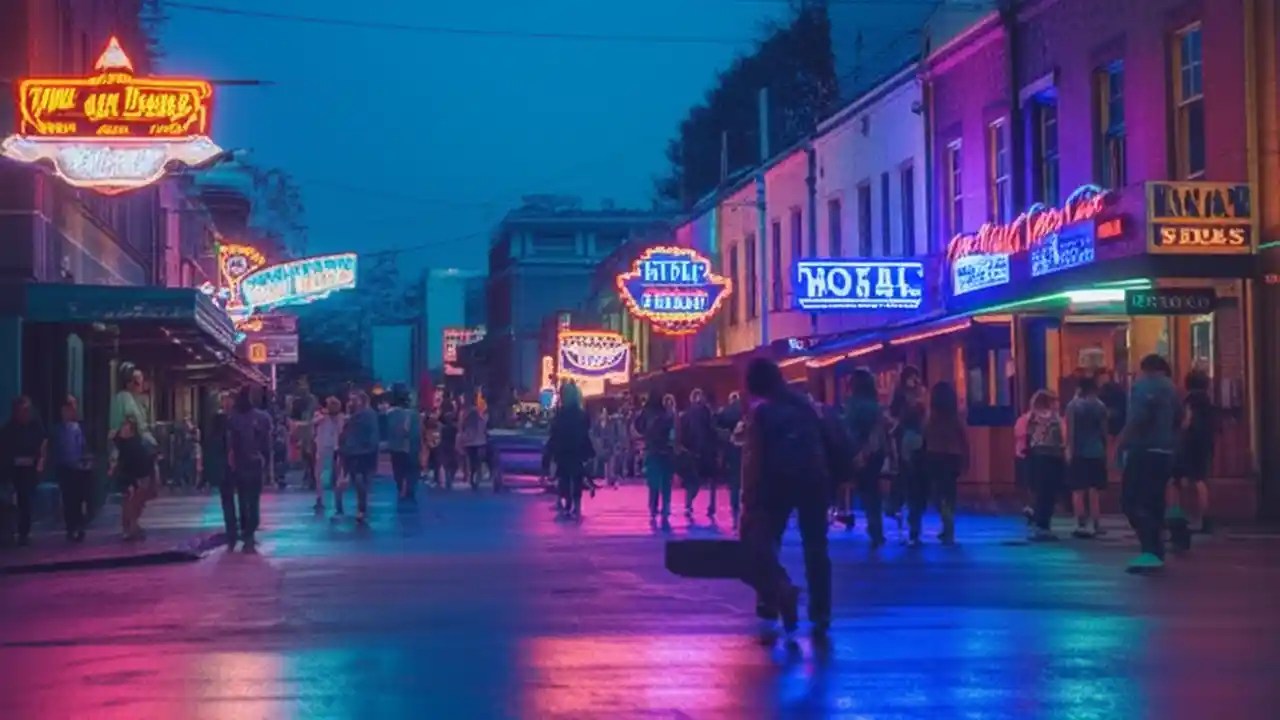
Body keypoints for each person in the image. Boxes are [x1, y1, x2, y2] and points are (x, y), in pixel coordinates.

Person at [739, 357, 832, 635]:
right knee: (816, 546)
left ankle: (775, 594)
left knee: (765, 541)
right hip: (814, 479)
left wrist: (749, 499)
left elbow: (755, 460)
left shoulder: (762, 413)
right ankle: (821, 609)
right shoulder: (806, 406)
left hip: (775, 482)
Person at [1120, 354, 1180, 573]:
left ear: (1146, 369)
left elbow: (1138, 418)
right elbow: (1179, 419)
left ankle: (1149, 549)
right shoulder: (1173, 389)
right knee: (1154, 502)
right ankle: (1155, 551)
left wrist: (1122, 441)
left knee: (1131, 501)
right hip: (1165, 451)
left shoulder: (1143, 387)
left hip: (1143, 451)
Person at [224, 386, 272, 551]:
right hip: (255, 462)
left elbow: (230, 443)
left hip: (240, 463)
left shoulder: (233, 418)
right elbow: (267, 444)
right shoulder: (263, 418)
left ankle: (246, 532)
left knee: (243, 499)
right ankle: (249, 532)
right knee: (253, 499)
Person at [920, 381, 968, 546]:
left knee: (936, 492)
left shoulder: (931, 418)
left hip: (934, 456)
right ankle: (949, 521)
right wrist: (966, 459)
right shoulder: (956, 418)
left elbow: (924, 437)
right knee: (950, 491)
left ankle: (945, 518)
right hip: (953, 456)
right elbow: (963, 439)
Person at [845, 369, 888, 547]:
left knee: (866, 490)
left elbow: (848, 430)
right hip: (877, 451)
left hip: (859, 451)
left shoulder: (852, 405)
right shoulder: (875, 405)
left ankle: (874, 527)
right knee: (874, 490)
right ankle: (876, 526)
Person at [1065, 376, 1109, 538]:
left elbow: (1071, 431)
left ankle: (1080, 523)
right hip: (1096, 450)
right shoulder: (1100, 406)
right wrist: (1105, 450)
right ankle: (1096, 523)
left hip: (1079, 451)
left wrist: (1069, 450)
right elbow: (1104, 431)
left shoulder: (1073, 406)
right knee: (1094, 489)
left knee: (1077, 489)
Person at [1172, 370, 1215, 534]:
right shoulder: (1207, 401)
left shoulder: (1190, 400)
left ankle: (1186, 517)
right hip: (1205, 443)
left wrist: (1180, 431)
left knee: (1184, 480)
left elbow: (1187, 422)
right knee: (1200, 479)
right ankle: (1202, 518)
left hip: (1190, 444)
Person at [2, 396, 47, 546]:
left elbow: (43, 443)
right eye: (23, 411)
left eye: (28, 410)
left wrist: (40, 460)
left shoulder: (36, 426)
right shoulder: (8, 431)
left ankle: (24, 532)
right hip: (12, 472)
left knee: (26, 500)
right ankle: (11, 532)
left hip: (30, 471)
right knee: (15, 500)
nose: (26, 414)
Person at [546, 383, 595, 517]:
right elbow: (586, 432)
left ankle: (566, 502)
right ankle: (577, 506)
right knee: (577, 476)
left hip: (563, 450)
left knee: (564, 476)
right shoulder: (582, 414)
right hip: (577, 449)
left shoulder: (560, 414)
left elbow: (554, 433)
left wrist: (551, 452)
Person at [1025, 390, 1067, 541]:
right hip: (1052, 456)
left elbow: (1028, 437)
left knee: (1040, 492)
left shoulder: (1032, 416)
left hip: (1037, 456)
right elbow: (1061, 437)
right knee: (1049, 494)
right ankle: (1044, 525)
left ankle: (1038, 522)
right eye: (1054, 400)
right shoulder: (1054, 418)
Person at [888, 366, 926, 529]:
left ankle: (900, 504)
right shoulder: (903, 395)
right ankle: (901, 504)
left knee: (909, 471)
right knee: (906, 471)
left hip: (912, 434)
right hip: (906, 434)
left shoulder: (920, 394)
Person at [50, 396, 91, 542]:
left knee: (79, 498)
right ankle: (71, 527)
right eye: (70, 407)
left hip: (78, 468)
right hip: (65, 468)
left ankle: (79, 525)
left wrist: (86, 460)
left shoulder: (80, 427)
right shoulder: (57, 429)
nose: (73, 410)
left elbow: (84, 446)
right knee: (68, 499)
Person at [339, 391, 380, 523]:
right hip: (362, 451)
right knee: (362, 479)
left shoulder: (361, 416)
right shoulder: (364, 415)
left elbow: (348, 434)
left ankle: (361, 508)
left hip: (358, 452)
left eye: (353, 400)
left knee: (359, 479)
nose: (350, 403)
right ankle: (361, 507)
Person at [678, 388, 719, 518]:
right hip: (706, 450)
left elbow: (682, 432)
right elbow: (712, 430)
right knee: (711, 480)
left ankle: (689, 505)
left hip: (692, 451)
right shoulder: (706, 412)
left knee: (693, 481)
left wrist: (683, 447)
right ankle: (711, 506)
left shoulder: (686, 414)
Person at [635, 392, 675, 525]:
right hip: (666, 451)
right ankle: (665, 508)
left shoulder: (647, 413)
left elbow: (638, 426)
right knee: (666, 482)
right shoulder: (668, 416)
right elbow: (673, 434)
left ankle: (653, 508)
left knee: (654, 482)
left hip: (652, 451)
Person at [113, 415, 153, 542]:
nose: (124, 430)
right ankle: (130, 528)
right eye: (123, 427)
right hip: (130, 476)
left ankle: (132, 527)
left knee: (136, 504)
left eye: (126, 428)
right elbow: (122, 462)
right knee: (130, 503)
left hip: (140, 475)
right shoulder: (123, 444)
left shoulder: (136, 442)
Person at [386, 391, 421, 503]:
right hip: (410, 447)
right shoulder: (414, 414)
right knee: (411, 469)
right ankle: (410, 490)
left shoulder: (390, 414)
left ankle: (400, 487)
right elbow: (417, 433)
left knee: (398, 470)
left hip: (395, 447)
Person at [716, 392, 745, 525]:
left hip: (732, 449)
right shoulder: (744, 412)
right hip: (745, 450)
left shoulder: (725, 412)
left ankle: (735, 506)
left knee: (734, 481)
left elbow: (717, 426)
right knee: (744, 479)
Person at [314, 397, 345, 511]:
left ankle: (337, 497)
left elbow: (341, 430)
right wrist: (325, 415)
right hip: (322, 447)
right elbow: (315, 421)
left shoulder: (340, 417)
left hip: (335, 447)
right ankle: (319, 497)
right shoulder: (321, 416)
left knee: (337, 473)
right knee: (319, 473)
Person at [459, 395, 488, 490]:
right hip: (479, 442)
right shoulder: (480, 419)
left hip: (470, 442)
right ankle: (476, 477)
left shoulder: (466, 417)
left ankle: (472, 477)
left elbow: (462, 428)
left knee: (471, 462)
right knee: (477, 462)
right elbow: (484, 429)